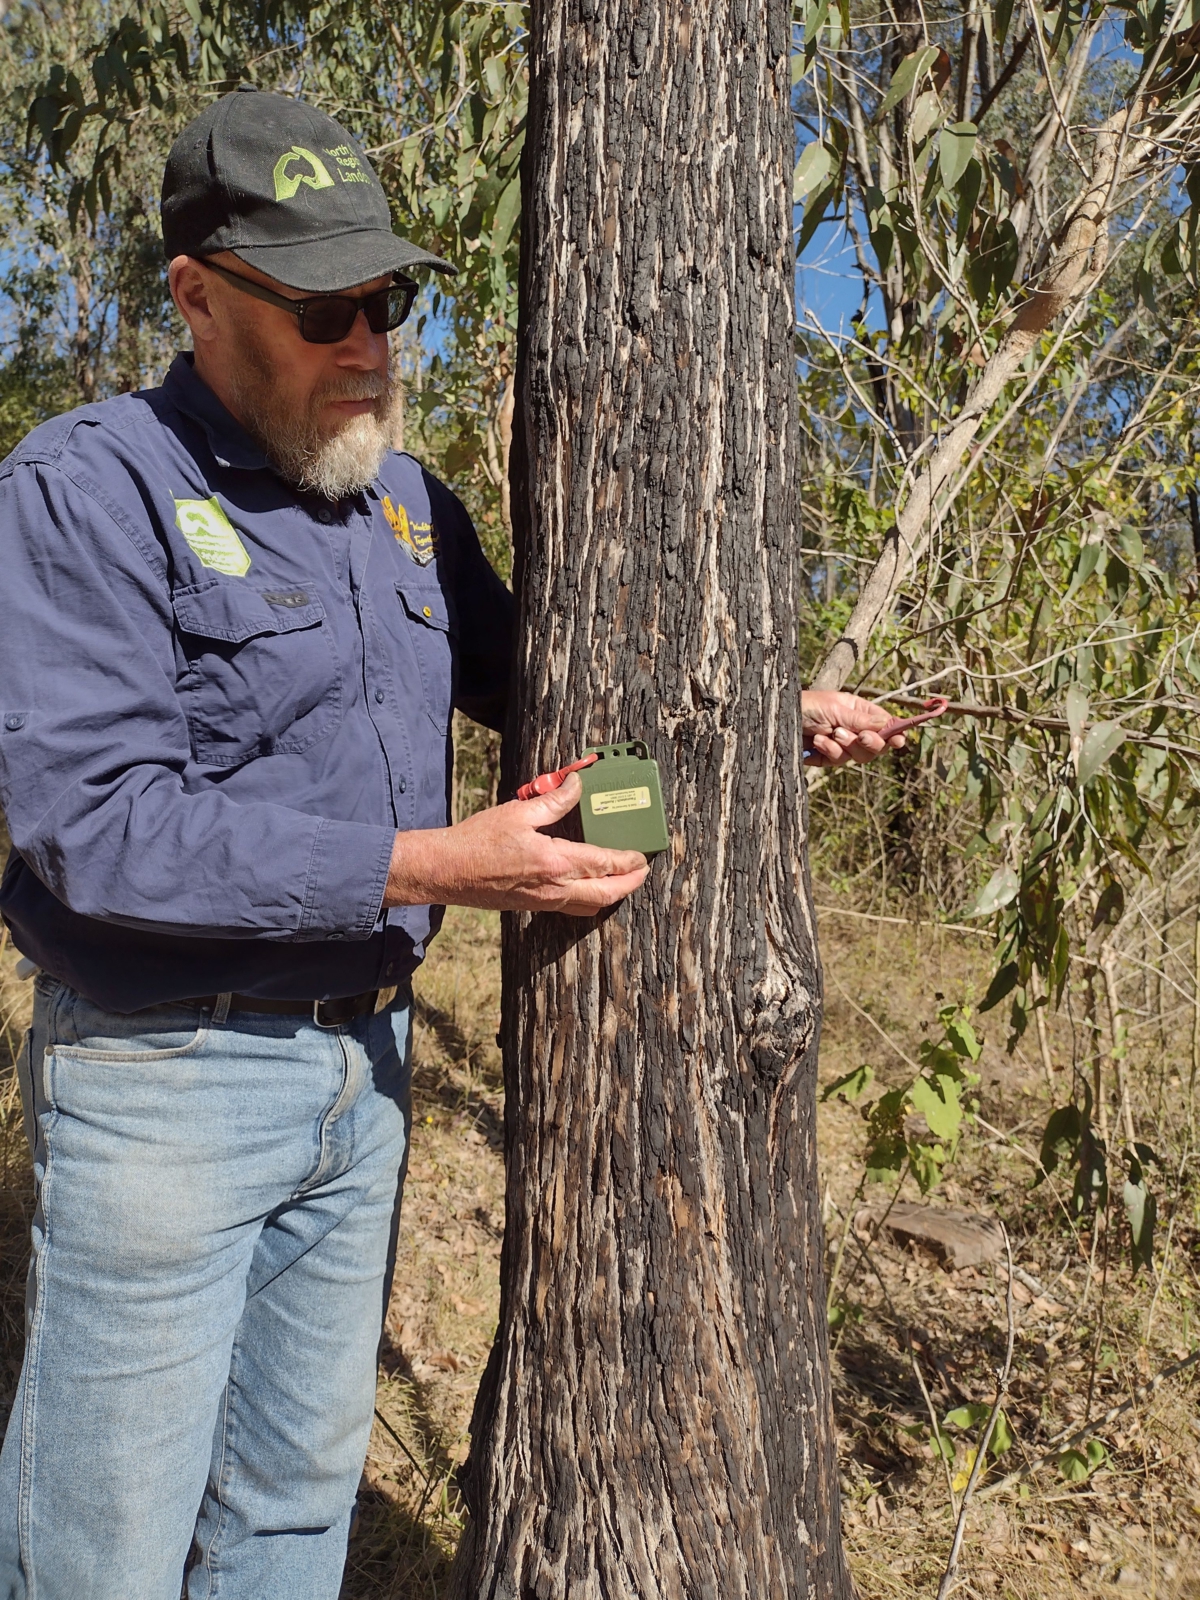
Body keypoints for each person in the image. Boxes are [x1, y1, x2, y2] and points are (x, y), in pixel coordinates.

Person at [0, 87, 902, 1600]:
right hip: (166, 1083)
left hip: (365, 1079)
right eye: (327, 308)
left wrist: (765, 717)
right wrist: (430, 866)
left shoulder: (406, 505)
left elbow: (555, 688)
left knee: (290, 1518)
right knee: (102, 1551)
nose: (370, 345)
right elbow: (96, 828)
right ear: (198, 298)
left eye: (392, 299)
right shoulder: (81, 491)